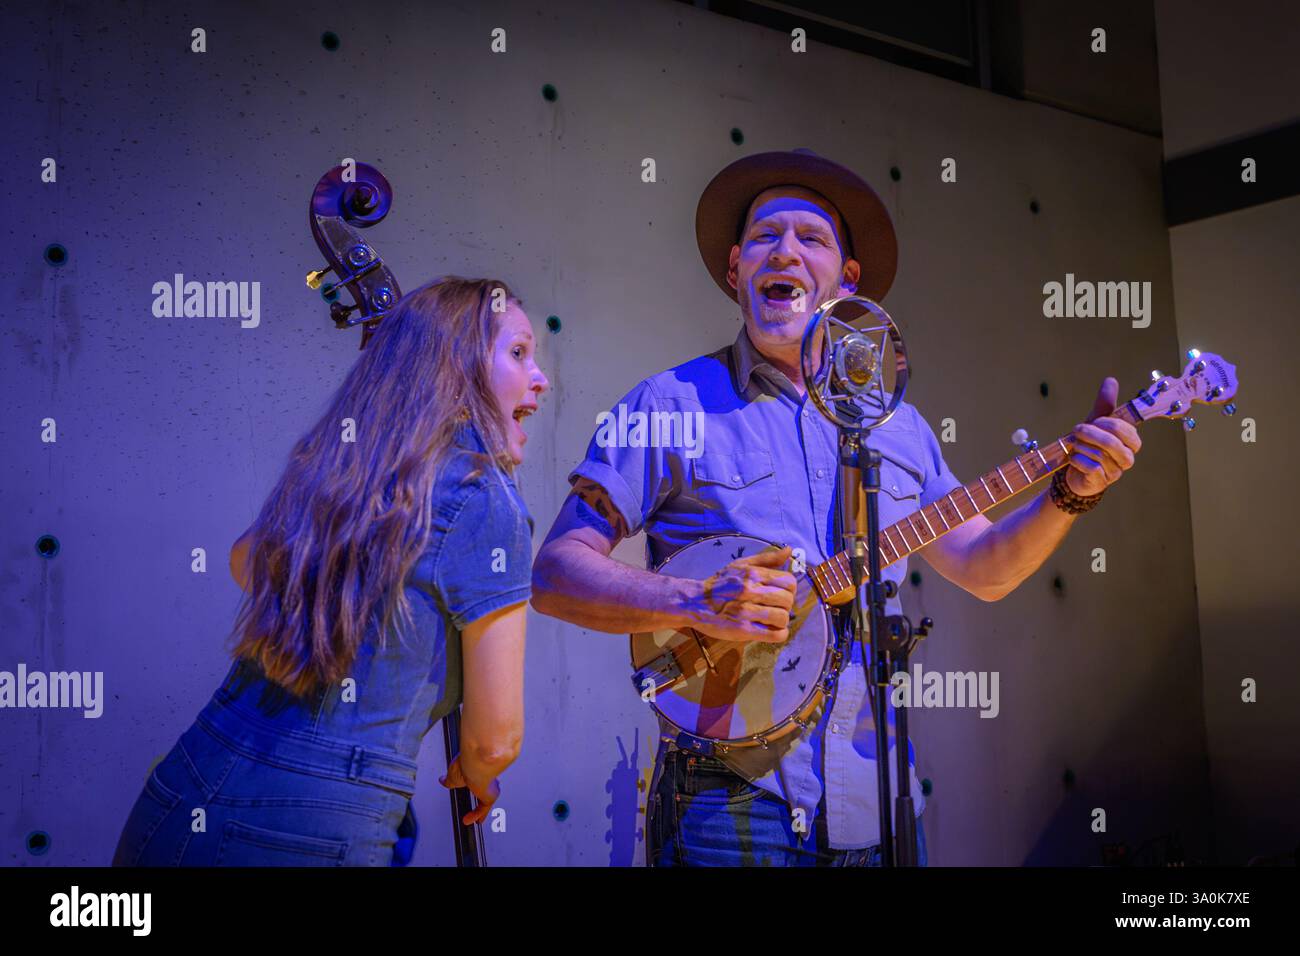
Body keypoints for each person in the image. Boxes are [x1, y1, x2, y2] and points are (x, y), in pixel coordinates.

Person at [531, 149, 1142, 866]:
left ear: (847, 280)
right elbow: (556, 573)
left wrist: (1071, 493)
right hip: (726, 800)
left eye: (811, 239)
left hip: (877, 801)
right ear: (734, 270)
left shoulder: (898, 427)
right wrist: (694, 600)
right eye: (764, 237)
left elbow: (987, 569)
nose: (784, 252)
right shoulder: (668, 405)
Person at [112, 276, 549, 866]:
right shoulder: (485, 498)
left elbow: (245, 561)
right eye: (518, 352)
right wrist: (477, 769)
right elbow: (495, 741)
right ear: (457, 366)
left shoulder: (349, 462)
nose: (540, 378)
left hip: (183, 785)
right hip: (308, 829)